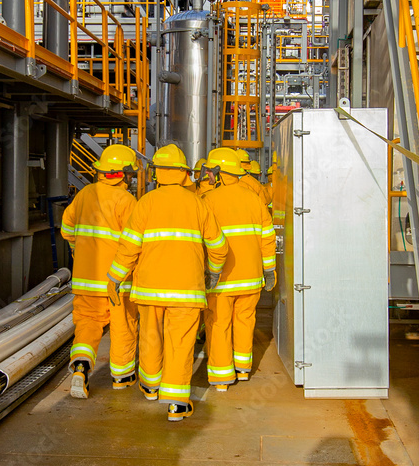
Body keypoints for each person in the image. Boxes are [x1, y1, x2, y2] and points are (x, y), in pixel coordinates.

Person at [106, 144, 228, 422]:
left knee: (150, 337)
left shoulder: (145, 203)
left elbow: (128, 248)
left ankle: (150, 387)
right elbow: (219, 246)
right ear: (183, 173)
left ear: (157, 173)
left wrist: (114, 277)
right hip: (186, 290)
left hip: (149, 288)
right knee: (181, 343)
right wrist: (214, 272)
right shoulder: (198, 204)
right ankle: (176, 404)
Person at [60, 144, 141, 399]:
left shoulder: (84, 194)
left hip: (86, 279)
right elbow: (134, 241)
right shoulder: (126, 201)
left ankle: (81, 370)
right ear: (123, 174)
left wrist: (77, 250)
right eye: (130, 174)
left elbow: (66, 228)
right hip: (117, 281)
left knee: (87, 325)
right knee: (123, 327)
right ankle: (122, 377)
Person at [199, 148, 276, 390]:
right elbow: (268, 237)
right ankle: (243, 369)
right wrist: (269, 270)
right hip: (251, 278)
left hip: (220, 279)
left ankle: (222, 378)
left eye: (211, 171)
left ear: (220, 174)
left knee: (219, 323)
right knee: (245, 320)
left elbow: (203, 241)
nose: (208, 176)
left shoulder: (209, 201)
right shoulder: (254, 199)